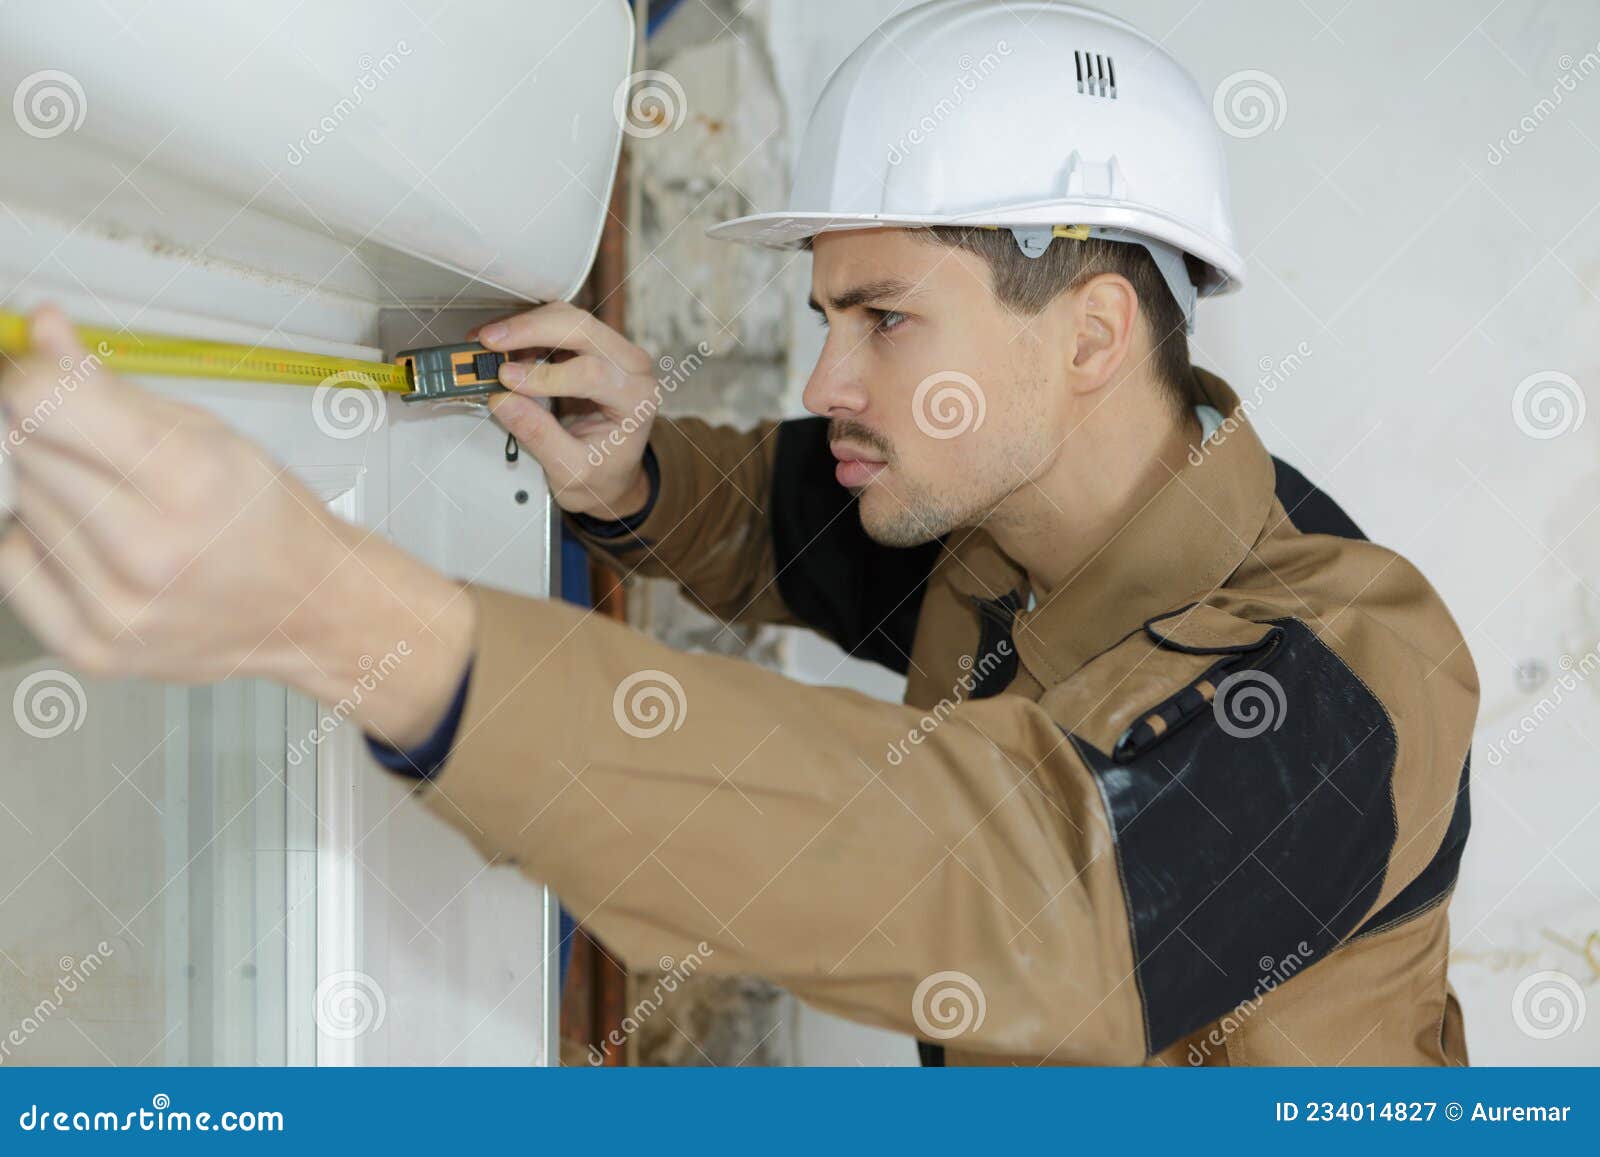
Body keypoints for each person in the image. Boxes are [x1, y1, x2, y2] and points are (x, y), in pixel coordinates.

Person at [0, 1, 1476, 1065]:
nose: (828, 381)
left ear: (1089, 334)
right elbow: (796, 527)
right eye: (828, 317)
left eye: (886, 320)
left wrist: (351, 619)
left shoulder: (1353, 671)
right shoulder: (1008, 533)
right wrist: (634, 478)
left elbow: (1019, 879)